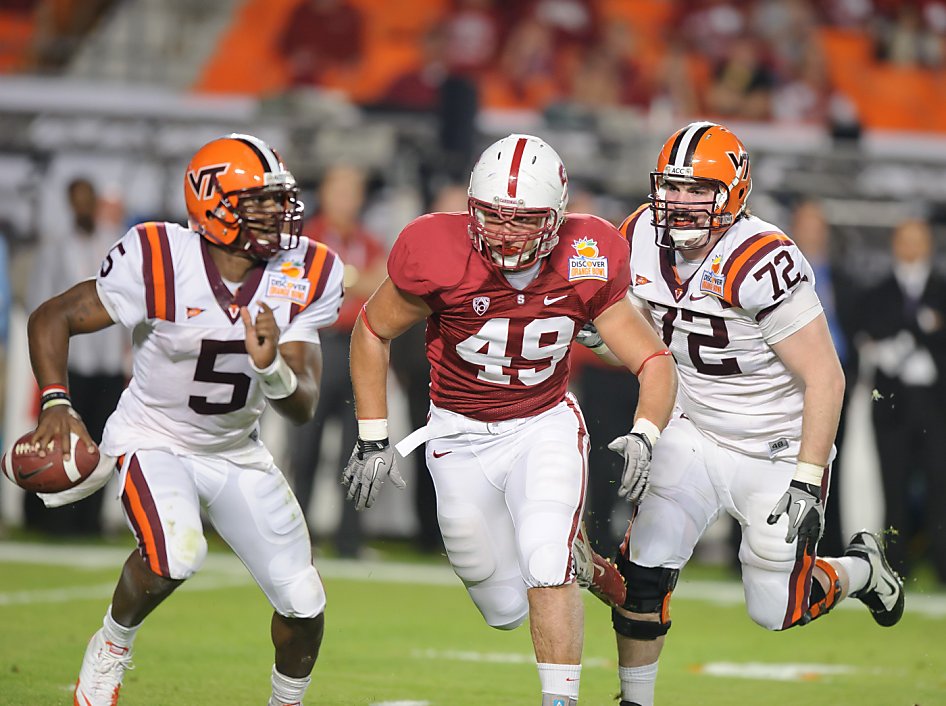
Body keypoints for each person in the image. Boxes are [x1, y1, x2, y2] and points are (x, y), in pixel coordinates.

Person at [341, 134, 678, 705]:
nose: (504, 232)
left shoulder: (586, 254)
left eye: (523, 220)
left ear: (556, 219)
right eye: (493, 216)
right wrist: (374, 437)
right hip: (455, 432)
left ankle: (559, 696)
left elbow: (653, 361)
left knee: (544, 561)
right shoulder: (435, 249)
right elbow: (371, 331)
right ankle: (589, 568)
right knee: (501, 606)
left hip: (542, 422)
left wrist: (647, 431)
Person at [577, 121, 905, 706]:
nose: (679, 203)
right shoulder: (639, 236)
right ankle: (634, 701)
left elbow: (826, 376)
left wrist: (808, 475)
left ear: (733, 193)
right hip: (693, 429)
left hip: (775, 444)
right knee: (642, 577)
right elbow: (645, 345)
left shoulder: (760, 258)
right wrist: (592, 336)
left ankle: (860, 570)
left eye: (697, 190)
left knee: (773, 609)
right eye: (672, 187)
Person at [27, 134, 342, 706]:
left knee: (304, 600)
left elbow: (303, 405)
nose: (277, 215)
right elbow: (53, 317)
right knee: (176, 553)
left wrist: (270, 367)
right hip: (154, 436)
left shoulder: (306, 270)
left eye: (279, 200)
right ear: (213, 205)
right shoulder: (159, 257)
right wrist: (55, 402)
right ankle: (113, 646)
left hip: (235, 450)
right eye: (260, 202)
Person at [284, 163, 386, 558]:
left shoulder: (367, 239)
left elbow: (383, 284)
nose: (346, 200)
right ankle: (297, 538)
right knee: (304, 447)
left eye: (353, 192)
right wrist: (355, 278)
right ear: (325, 194)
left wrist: (343, 277)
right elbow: (306, 287)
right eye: (340, 191)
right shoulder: (308, 237)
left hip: (360, 346)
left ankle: (349, 540)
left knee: (359, 447)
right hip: (317, 345)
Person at [23, 177, 129, 538]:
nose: (84, 207)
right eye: (78, 201)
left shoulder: (115, 240)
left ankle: (89, 522)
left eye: (89, 200)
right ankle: (48, 519)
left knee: (101, 442)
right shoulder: (56, 246)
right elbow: (41, 301)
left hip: (108, 361)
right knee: (57, 438)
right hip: (72, 361)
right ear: (71, 203)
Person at [860, 218, 946, 581]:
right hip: (892, 406)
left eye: (918, 239)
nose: (911, 246)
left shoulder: (942, 289)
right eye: (905, 239)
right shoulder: (876, 292)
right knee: (892, 485)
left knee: (940, 484)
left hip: (936, 405)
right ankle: (896, 564)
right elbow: (867, 336)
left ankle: (941, 563)